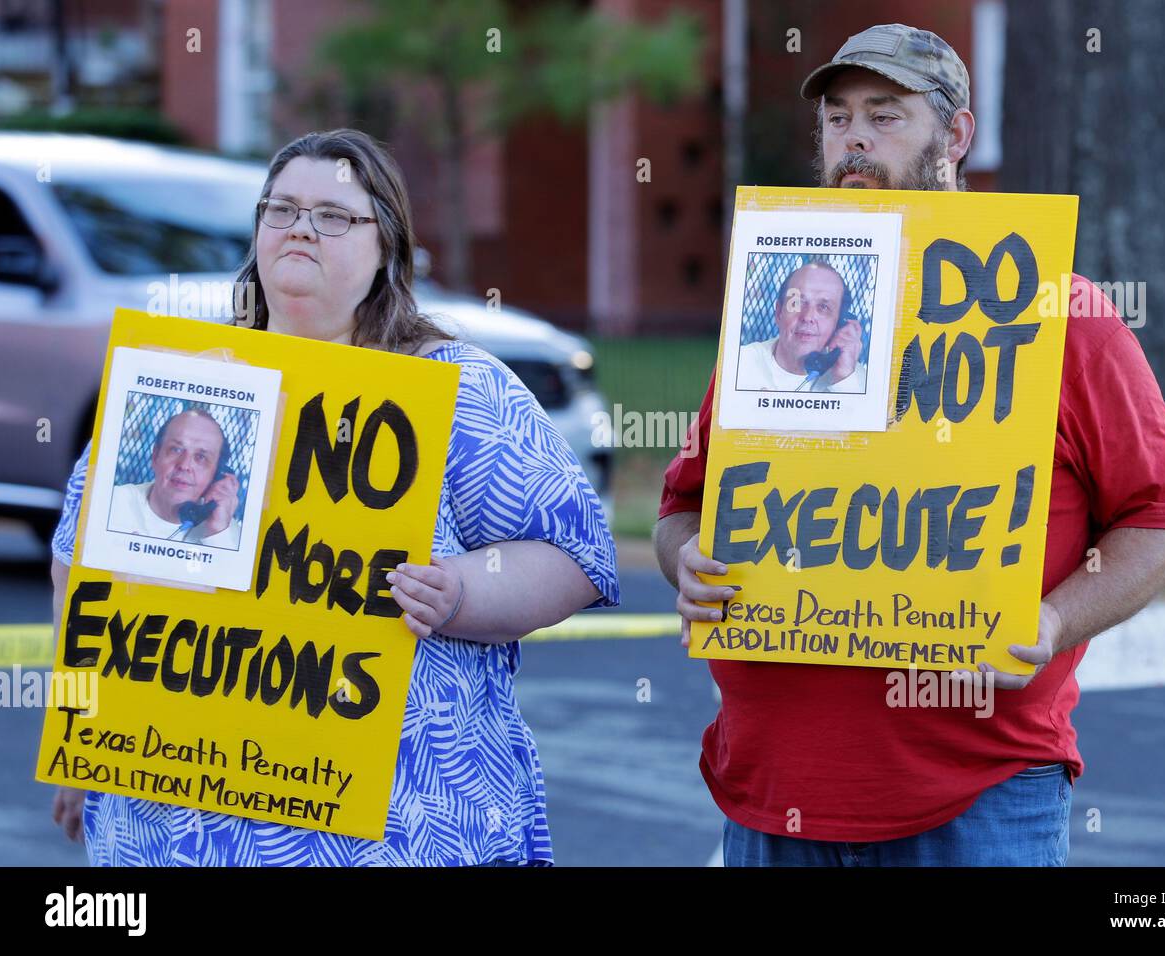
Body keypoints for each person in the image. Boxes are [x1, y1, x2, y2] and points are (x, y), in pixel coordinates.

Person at [653, 24, 1165, 866]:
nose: (854, 141)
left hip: (978, 796)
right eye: (838, 120)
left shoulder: (1061, 312)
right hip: (773, 792)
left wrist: (1053, 618)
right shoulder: (790, 310)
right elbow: (684, 508)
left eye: (886, 117)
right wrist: (687, 558)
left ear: (955, 136)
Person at [49, 128, 619, 866]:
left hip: (398, 826)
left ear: (388, 247)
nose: (301, 229)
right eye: (281, 209)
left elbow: (576, 552)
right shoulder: (184, 377)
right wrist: (85, 732)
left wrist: (461, 594)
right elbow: (78, 563)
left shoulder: (457, 391)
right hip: (176, 828)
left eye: (334, 214)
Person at [108, 408, 242, 548]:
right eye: (176, 449)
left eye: (201, 457)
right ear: (155, 456)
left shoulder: (227, 533)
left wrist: (217, 533)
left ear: (216, 475)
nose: (184, 465)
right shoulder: (112, 504)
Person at [737, 262, 868, 393]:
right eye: (797, 302)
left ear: (839, 323)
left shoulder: (855, 380)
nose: (807, 317)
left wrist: (844, 379)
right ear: (779, 313)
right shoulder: (739, 364)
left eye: (823, 307)